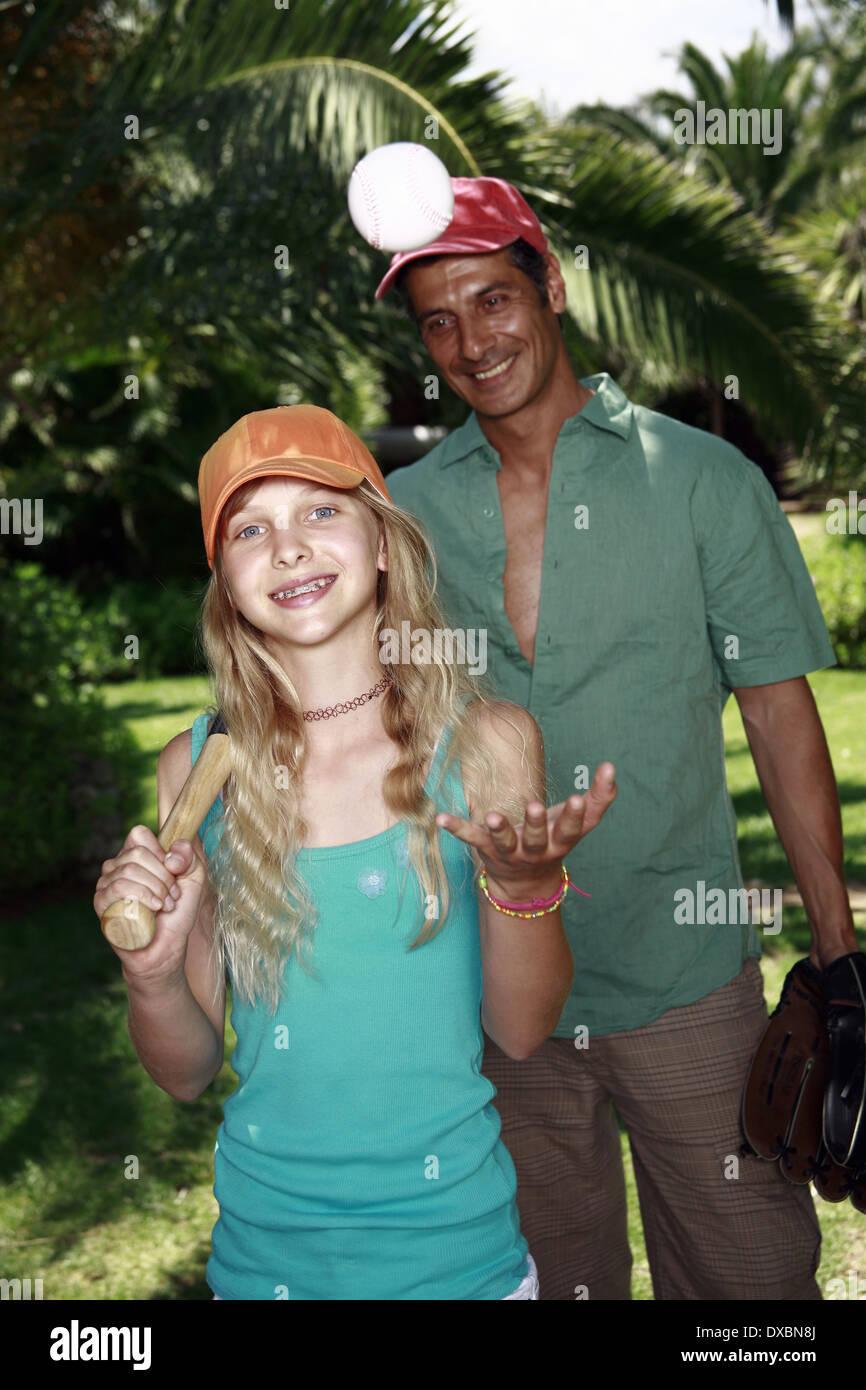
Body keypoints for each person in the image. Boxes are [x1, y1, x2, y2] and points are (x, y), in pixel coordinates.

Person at [376, 177, 860, 1301]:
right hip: (497, 998)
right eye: (436, 320)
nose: (468, 341)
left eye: (492, 300)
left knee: (751, 1289)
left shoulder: (700, 481)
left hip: (683, 980)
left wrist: (836, 952)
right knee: (548, 1282)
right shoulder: (402, 511)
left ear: (548, 285)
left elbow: (780, 716)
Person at [93, 403, 616, 1300]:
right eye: (251, 529)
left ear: (383, 545)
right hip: (263, 1270)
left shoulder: (488, 744)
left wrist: (525, 887)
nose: (288, 548)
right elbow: (183, 1073)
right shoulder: (197, 768)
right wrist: (151, 973)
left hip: (459, 1265)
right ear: (225, 583)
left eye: (321, 511)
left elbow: (523, 1029)